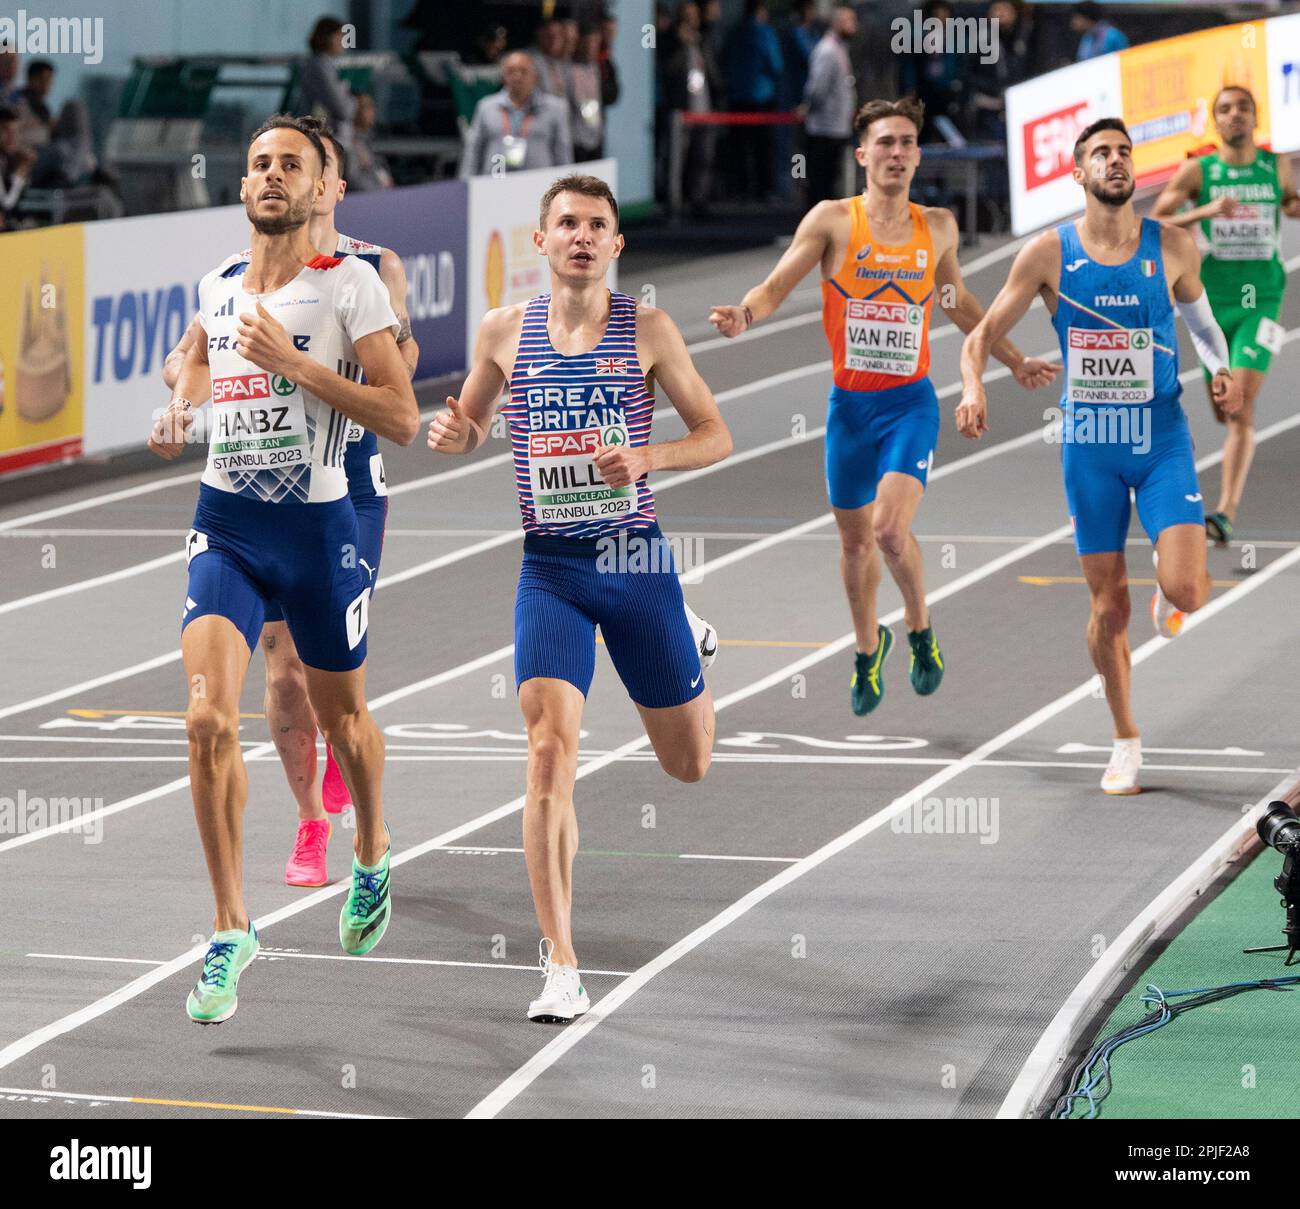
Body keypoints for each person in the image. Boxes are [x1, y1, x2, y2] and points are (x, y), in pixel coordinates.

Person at [427, 174, 730, 1022]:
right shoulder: (504, 332)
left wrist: (648, 459)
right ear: (541, 240)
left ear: (617, 243)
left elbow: (717, 432)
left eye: (599, 224)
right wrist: (457, 435)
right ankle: (560, 959)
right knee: (548, 752)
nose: (583, 237)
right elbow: (474, 426)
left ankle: (687, 626)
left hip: (635, 560)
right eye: (568, 223)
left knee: (689, 762)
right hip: (551, 568)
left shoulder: (648, 329)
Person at [148, 115, 419, 1023]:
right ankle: (231, 928)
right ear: (242, 187)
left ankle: (373, 848)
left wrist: (298, 365)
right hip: (224, 527)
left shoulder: (352, 286)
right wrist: (178, 406)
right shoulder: (218, 284)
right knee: (203, 719)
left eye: (289, 166)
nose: (271, 177)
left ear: (319, 189)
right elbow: (195, 360)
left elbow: (402, 416)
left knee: (347, 722)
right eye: (258, 164)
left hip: (318, 532)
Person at [709, 98, 1056, 716]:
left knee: (890, 531)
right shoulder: (833, 221)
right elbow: (777, 284)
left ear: (918, 155)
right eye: (885, 143)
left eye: (906, 143)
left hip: (909, 406)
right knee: (853, 545)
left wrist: (1013, 360)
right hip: (849, 410)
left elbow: (957, 304)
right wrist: (746, 313)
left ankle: (920, 627)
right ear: (862, 155)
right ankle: (869, 647)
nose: (896, 153)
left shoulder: (938, 227)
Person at [957, 117, 1241, 795]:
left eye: (1123, 152)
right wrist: (972, 386)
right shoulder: (1047, 256)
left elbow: (1204, 329)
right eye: (1100, 154)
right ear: (1077, 173)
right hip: (1091, 447)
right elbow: (980, 335)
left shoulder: (1172, 245)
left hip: (1162, 436)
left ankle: (1168, 587)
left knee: (1188, 591)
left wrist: (1219, 370)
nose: (1115, 161)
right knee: (1106, 607)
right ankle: (1124, 737)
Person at [1151, 85, 1298, 543]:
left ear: (1255, 118)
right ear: (1216, 122)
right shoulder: (1199, 170)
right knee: (1223, 406)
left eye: (1243, 109)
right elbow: (1157, 220)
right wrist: (1208, 211)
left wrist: (1292, 204)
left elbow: (1290, 199)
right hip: (1211, 302)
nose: (1235, 116)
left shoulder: (1275, 164)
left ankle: (1224, 512)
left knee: (1239, 403)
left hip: (1265, 298)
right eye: (1225, 110)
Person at [460, 52, 572, 178]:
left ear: (535, 76)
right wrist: (466, 183)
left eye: (523, 71)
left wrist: (565, 186)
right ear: (503, 76)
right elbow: (473, 150)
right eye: (511, 71)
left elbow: (563, 153)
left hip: (540, 184)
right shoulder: (486, 107)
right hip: (495, 182)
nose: (517, 76)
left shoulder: (555, 108)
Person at [723, 0, 783, 200]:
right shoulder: (765, 33)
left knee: (739, 147)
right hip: (761, 97)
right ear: (761, 11)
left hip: (737, 97)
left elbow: (725, 59)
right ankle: (763, 189)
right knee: (762, 147)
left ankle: (740, 189)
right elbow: (775, 64)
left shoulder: (735, 32)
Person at [802, 4, 857, 205]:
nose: (855, 26)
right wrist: (811, 109)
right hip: (824, 128)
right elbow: (817, 88)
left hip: (836, 127)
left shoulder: (839, 48)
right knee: (820, 184)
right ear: (838, 23)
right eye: (850, 21)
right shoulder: (827, 51)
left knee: (830, 182)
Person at [299, 16, 356, 153]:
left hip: (329, 137)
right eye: (340, 37)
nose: (344, 42)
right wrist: (354, 102)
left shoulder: (322, 65)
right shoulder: (321, 67)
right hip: (329, 138)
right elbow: (342, 108)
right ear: (329, 38)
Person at [570, 23, 606, 162]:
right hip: (577, 139)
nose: (591, 48)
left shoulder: (596, 68)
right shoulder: (570, 68)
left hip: (595, 136)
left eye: (595, 44)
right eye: (588, 43)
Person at [347, 92, 393, 190]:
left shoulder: (368, 139)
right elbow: (353, 178)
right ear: (356, 111)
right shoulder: (350, 142)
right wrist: (378, 192)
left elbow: (379, 169)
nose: (373, 112)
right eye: (367, 108)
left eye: (372, 107)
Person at [15, 59, 54, 147]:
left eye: (50, 80)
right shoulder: (19, 100)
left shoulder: (42, 107)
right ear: (30, 79)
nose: (47, 84)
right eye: (43, 79)